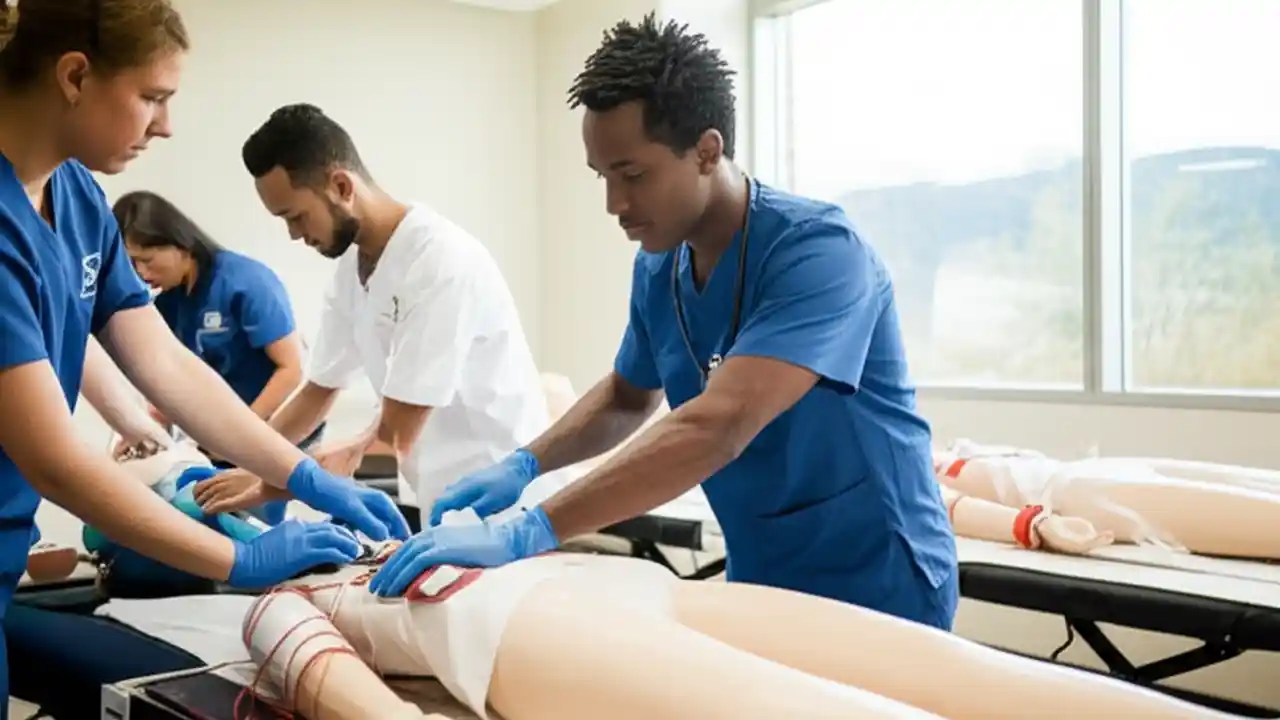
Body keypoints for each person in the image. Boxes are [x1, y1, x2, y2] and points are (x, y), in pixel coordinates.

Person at [377, 14, 958, 629]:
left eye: (633, 175)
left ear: (707, 151)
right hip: (765, 568)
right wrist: (524, 465)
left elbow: (718, 423)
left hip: (878, 574)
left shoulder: (818, 253)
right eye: (603, 177)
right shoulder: (661, 264)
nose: (614, 204)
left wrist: (535, 529)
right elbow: (628, 395)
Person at [7, 446, 1222, 720]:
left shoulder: (363, 549)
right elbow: (321, 679)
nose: (265, 511)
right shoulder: (285, 596)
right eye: (197, 517)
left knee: (985, 680)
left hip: (622, 590)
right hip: (527, 623)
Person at [0, 0, 408, 701]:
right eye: (153, 98)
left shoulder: (76, 198)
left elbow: (168, 366)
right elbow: (55, 461)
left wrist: (300, 474)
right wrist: (238, 557)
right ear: (75, 76)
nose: (166, 125)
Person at [213, 103, 551, 519]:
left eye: (296, 216)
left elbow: (393, 435)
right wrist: (251, 462)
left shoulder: (438, 260)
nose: (294, 234)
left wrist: (271, 481)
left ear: (341, 186)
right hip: (444, 502)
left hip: (511, 503)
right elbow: (318, 389)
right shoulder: (349, 271)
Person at [113, 189, 311, 522]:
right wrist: (139, 431)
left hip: (280, 428)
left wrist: (242, 435)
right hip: (223, 439)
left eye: (146, 260)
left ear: (179, 243)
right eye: (131, 264)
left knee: (258, 526)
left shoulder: (244, 282)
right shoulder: (167, 304)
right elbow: (171, 382)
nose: (141, 273)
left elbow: (291, 369)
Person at [933, 441, 1280, 559]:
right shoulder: (889, 464)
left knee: (1246, 484)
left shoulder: (904, 432)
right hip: (1072, 496)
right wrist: (1036, 524)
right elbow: (945, 507)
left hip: (1086, 471)